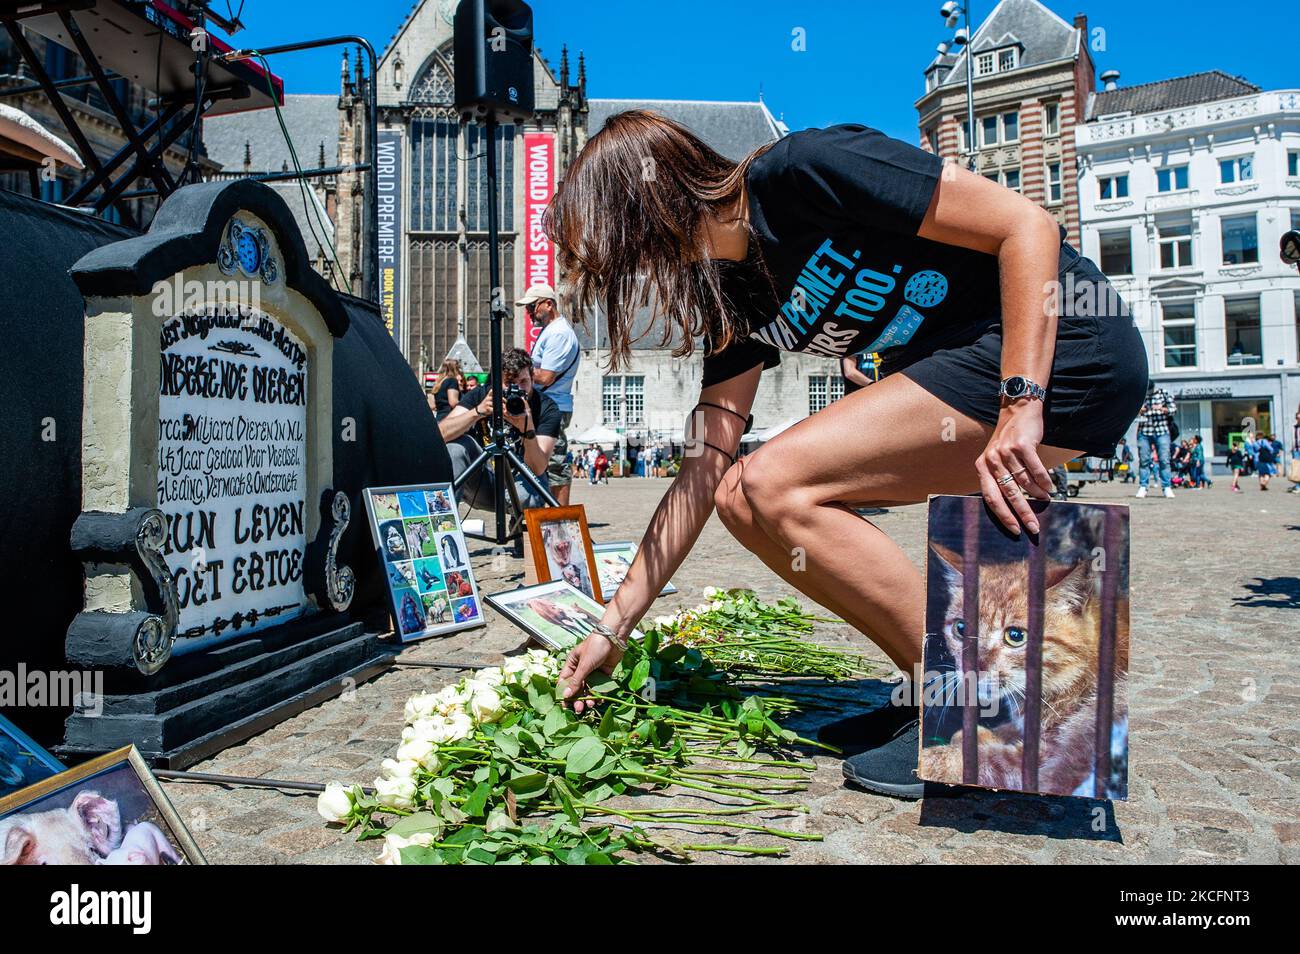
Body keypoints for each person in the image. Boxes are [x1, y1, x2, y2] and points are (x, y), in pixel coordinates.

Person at [544, 111, 1146, 798]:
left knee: (774, 482)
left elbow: (1029, 226)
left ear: (646, 212)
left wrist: (1021, 401)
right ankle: (934, 691)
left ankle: (991, 705)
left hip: (1069, 347)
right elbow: (703, 463)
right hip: (975, 374)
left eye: (619, 256)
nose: (631, 279)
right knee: (742, 497)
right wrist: (614, 627)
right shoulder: (732, 294)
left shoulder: (805, 169)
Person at [438, 348, 562, 513]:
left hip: (522, 484)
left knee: (527, 496)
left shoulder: (546, 407)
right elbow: (440, 435)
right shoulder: (483, 395)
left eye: (523, 382)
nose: (517, 390)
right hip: (484, 481)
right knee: (456, 448)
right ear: (496, 383)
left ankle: (519, 528)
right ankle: (443, 521)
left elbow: (538, 468)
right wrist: (477, 412)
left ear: (532, 378)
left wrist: (528, 428)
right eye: (510, 383)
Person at [520, 284, 581, 507]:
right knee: (538, 461)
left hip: (554, 406)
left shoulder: (559, 333)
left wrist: (521, 372)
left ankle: (561, 517)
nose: (529, 313)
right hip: (546, 404)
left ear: (549, 304)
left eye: (532, 307)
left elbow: (546, 377)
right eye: (527, 308)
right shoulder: (550, 331)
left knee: (555, 464)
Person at [1135, 382, 1177, 499]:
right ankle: (1143, 486)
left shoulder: (1163, 393)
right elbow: (1131, 410)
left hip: (1162, 431)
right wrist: (1140, 409)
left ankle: (1166, 487)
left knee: (1164, 460)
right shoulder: (1140, 395)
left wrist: (1162, 408)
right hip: (1145, 431)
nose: (1147, 394)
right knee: (1144, 460)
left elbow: (1173, 409)